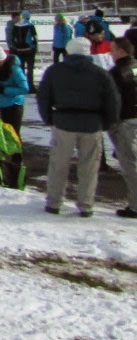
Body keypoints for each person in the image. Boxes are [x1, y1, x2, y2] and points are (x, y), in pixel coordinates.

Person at [37, 36, 121, 216]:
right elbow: (113, 101)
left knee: (58, 164)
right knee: (89, 167)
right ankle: (86, 204)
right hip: (92, 124)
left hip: (64, 122)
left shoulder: (55, 71)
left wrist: (49, 118)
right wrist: (106, 123)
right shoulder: (100, 73)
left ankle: (54, 202)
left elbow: (43, 95)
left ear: (68, 51)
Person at [109, 34, 137, 218]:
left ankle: (135, 205)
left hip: (125, 121)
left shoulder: (117, 72)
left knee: (130, 164)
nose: (110, 53)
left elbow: (113, 99)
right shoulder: (134, 66)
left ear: (121, 51)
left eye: (112, 50)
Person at [0, 41, 30, 137]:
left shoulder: (14, 69)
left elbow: (25, 88)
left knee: (14, 134)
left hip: (14, 105)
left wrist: (4, 90)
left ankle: (16, 152)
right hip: (3, 104)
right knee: (6, 134)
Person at [6, 11, 38, 88]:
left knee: (21, 69)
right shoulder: (30, 25)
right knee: (29, 69)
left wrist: (15, 47)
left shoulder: (15, 26)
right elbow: (35, 38)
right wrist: (35, 47)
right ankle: (30, 86)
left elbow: (12, 38)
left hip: (19, 50)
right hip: (29, 49)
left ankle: (23, 85)